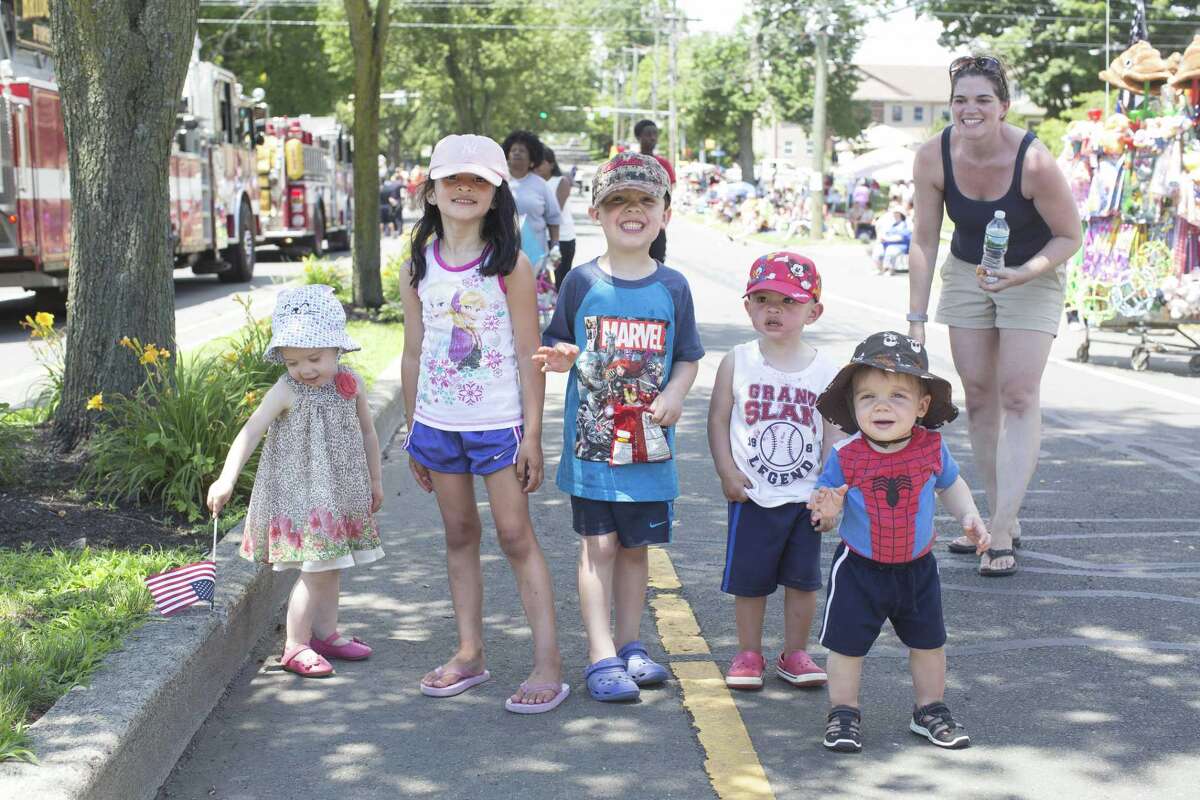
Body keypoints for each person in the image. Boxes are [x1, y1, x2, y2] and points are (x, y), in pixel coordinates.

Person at [397, 134, 567, 714]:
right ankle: (469, 652)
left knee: (515, 536)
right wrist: (412, 428)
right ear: (432, 192)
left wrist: (535, 436)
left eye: (478, 180)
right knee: (459, 534)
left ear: (497, 194)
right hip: (438, 426)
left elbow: (529, 353)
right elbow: (414, 351)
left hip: (499, 426)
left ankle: (549, 663)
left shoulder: (509, 266)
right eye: (452, 180)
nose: (464, 189)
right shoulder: (418, 264)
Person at [535, 153, 704, 702]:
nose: (631, 211)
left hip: (650, 452)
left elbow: (687, 356)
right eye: (617, 202)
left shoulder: (674, 286)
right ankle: (601, 653)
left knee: (636, 551)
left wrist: (676, 393)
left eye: (644, 202)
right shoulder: (580, 282)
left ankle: (632, 646)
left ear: (664, 215)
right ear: (596, 213)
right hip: (593, 450)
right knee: (599, 547)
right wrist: (562, 357)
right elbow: (560, 344)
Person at [907, 55, 1082, 576]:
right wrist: (915, 317)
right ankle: (997, 513)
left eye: (983, 99)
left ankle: (1001, 529)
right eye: (961, 100)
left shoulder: (1033, 161)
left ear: (1003, 107)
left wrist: (1022, 273)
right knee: (980, 397)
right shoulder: (933, 156)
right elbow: (923, 237)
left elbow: (1070, 236)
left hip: (1031, 270)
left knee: (1019, 394)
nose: (971, 109)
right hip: (967, 271)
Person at [808, 331, 991, 753]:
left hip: (918, 569)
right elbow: (823, 508)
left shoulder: (930, 446)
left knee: (929, 643)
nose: (882, 406)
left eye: (897, 396)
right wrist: (826, 513)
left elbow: (951, 485)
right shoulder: (846, 455)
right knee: (846, 647)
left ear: (923, 406)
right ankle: (844, 712)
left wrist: (969, 516)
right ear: (853, 406)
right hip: (859, 569)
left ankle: (929, 709)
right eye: (868, 397)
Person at [207, 284, 385, 678]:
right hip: (302, 495)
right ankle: (295, 644)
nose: (305, 369)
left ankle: (325, 634)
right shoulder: (287, 389)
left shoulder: (350, 384)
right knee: (315, 568)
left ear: (338, 349)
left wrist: (374, 480)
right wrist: (225, 478)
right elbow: (251, 431)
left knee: (332, 564)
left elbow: (368, 433)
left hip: (339, 491)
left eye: (314, 358)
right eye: (292, 361)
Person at [706, 252, 842, 691]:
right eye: (762, 299)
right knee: (751, 580)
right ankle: (748, 651)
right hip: (754, 493)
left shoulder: (825, 370)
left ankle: (795, 651)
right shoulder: (739, 360)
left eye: (788, 301)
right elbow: (719, 419)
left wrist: (829, 489)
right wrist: (727, 470)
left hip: (804, 496)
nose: (774, 309)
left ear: (813, 311)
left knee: (803, 580)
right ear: (748, 307)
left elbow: (832, 433)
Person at [502, 130, 562, 268]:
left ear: (532, 158)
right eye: (513, 150)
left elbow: (553, 219)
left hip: (534, 252)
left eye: (522, 150)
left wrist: (555, 247)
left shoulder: (541, 185)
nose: (517, 153)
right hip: (502, 249)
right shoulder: (499, 183)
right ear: (507, 155)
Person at [534, 146, 576, 289]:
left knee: (561, 282)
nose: (537, 165)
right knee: (541, 283)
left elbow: (555, 212)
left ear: (551, 164)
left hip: (562, 239)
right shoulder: (533, 183)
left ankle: (563, 311)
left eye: (541, 162)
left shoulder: (561, 181)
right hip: (538, 239)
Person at [634, 120, 676, 262]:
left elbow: (670, 193)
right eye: (648, 134)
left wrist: (662, 218)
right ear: (639, 137)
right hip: (634, 223)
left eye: (655, 134)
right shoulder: (630, 163)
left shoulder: (663, 164)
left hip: (657, 225)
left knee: (657, 265)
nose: (652, 138)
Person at [872, 208, 912, 275]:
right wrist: (882, 238)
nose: (895, 215)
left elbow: (900, 237)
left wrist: (887, 239)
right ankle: (879, 269)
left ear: (901, 215)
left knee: (890, 250)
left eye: (897, 214)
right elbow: (884, 233)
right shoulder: (892, 225)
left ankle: (890, 270)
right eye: (894, 214)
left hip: (899, 245)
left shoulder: (905, 225)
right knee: (878, 249)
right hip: (887, 244)